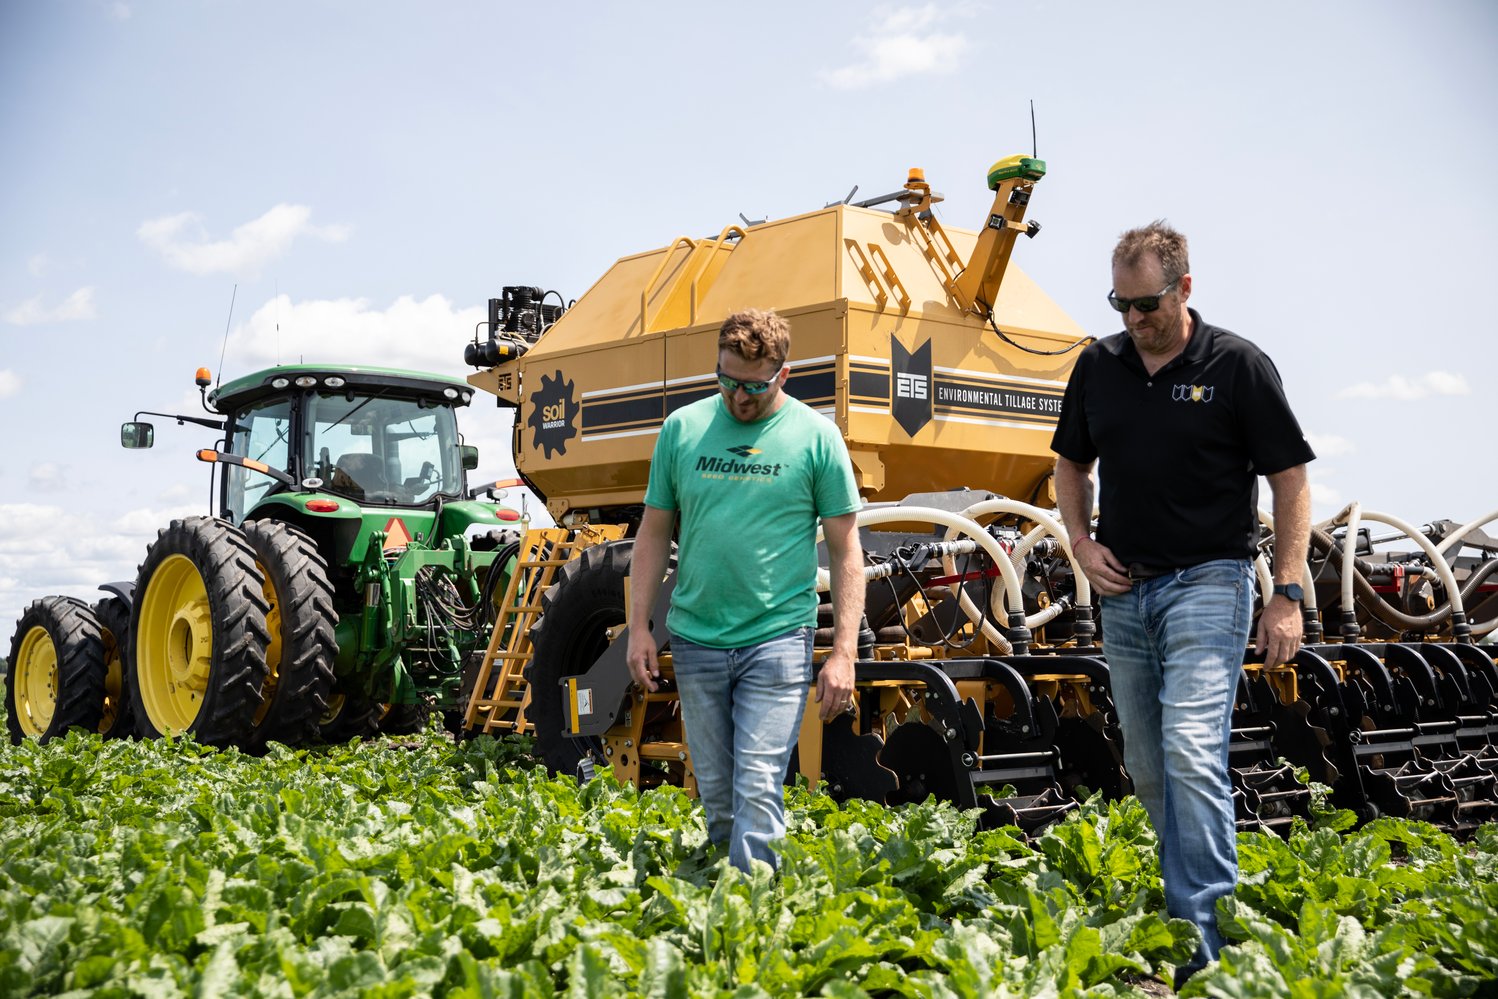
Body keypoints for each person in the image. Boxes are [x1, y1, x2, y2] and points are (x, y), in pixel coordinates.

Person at [1050, 221, 1314, 985]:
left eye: (1146, 304)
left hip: (1211, 579)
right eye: (1119, 303)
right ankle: (1186, 912)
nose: (1133, 320)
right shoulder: (1098, 365)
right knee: (1149, 761)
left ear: (1185, 288)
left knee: (1192, 748)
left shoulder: (1237, 365)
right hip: (1125, 591)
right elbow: (1070, 465)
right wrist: (1078, 539)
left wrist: (1288, 593)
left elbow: (1289, 481)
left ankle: (1209, 944)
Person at [626, 308, 865, 872]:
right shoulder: (682, 430)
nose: (738, 398)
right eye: (726, 380)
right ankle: (724, 920)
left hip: (776, 640)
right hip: (695, 639)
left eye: (753, 386)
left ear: (784, 374)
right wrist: (639, 626)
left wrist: (844, 652)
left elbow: (847, 549)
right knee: (721, 803)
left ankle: (752, 923)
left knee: (757, 787)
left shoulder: (816, 437)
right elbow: (654, 533)